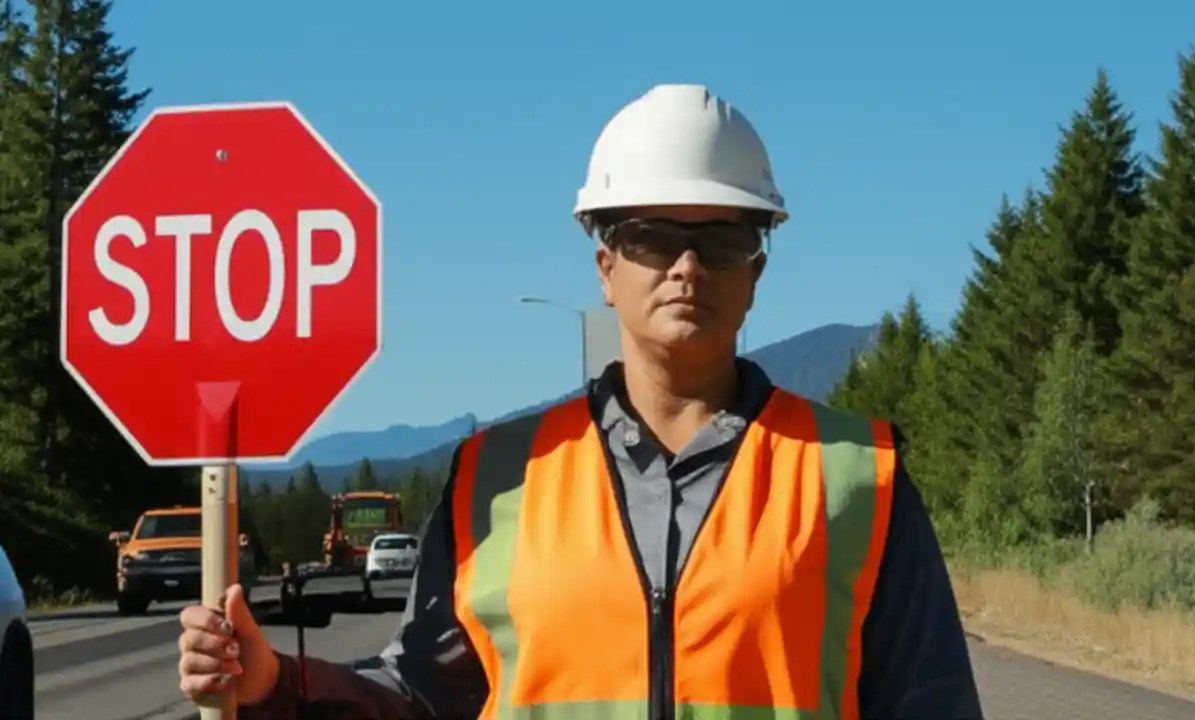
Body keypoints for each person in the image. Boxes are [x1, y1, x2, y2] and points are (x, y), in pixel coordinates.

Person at [177, 83, 984, 720]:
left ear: (757, 271)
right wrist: (275, 682)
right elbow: (423, 698)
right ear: (605, 264)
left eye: (725, 237)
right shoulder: (494, 481)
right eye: (653, 236)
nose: (689, 266)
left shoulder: (856, 481)